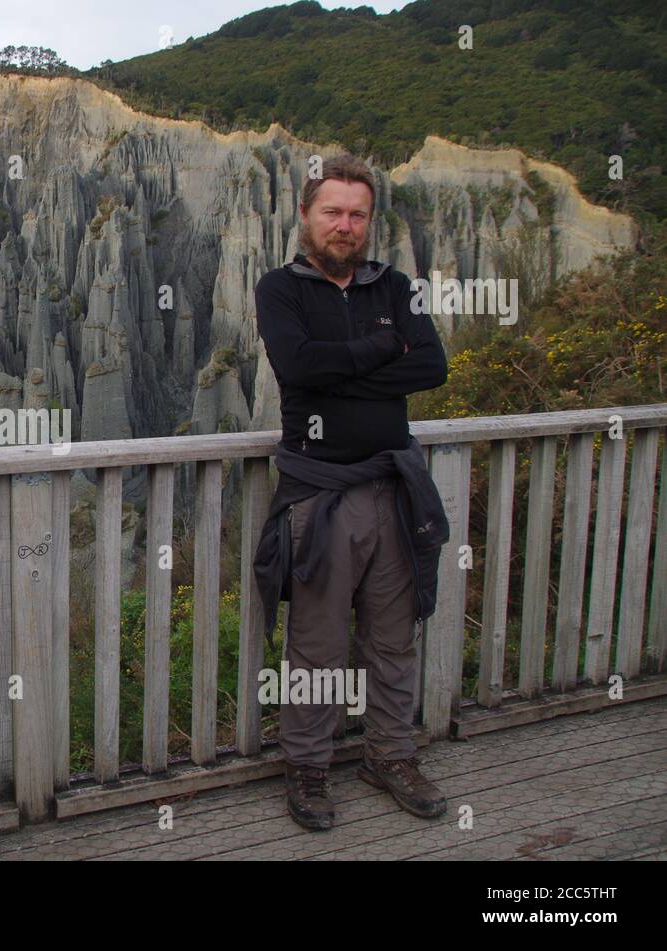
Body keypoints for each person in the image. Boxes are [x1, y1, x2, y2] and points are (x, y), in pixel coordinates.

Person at [252, 154, 451, 832]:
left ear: (369, 222)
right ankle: (306, 767)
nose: (345, 224)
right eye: (332, 211)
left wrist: (345, 369)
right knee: (317, 645)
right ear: (306, 215)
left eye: (357, 214)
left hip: (393, 490)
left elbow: (433, 364)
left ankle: (390, 755)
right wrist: (381, 349)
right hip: (319, 495)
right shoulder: (278, 288)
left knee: (395, 640)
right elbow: (299, 367)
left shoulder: (394, 285)